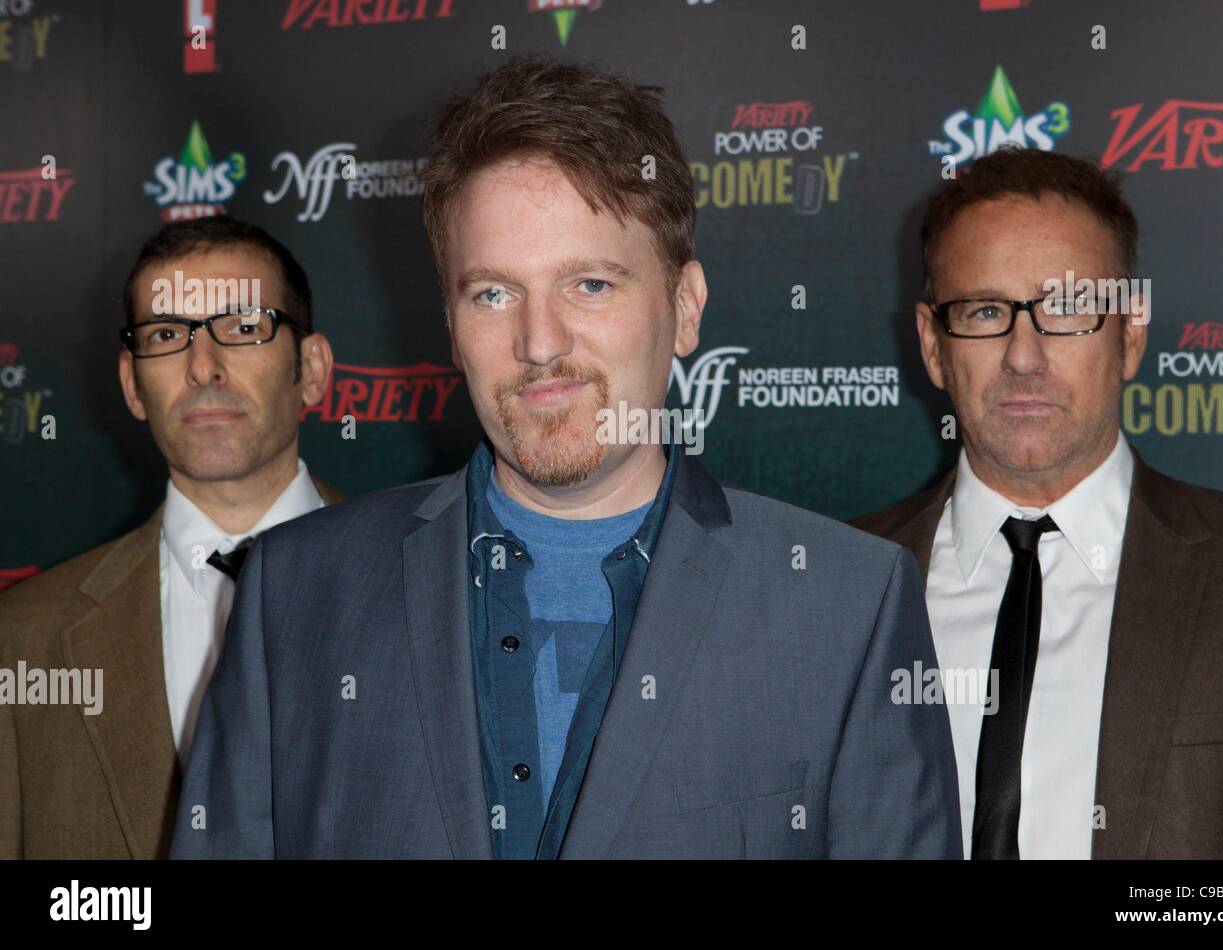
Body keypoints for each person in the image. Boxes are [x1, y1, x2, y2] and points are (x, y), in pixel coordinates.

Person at [169, 55, 960, 860]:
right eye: (494, 294)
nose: (539, 343)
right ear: (450, 321)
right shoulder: (293, 596)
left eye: (589, 285)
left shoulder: (845, 608)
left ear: (685, 308)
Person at [852, 146, 1223, 859]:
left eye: (1067, 309)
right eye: (986, 310)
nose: (1024, 357)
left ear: (1132, 333)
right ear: (933, 346)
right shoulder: (835, 592)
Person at [0, 216, 343, 858]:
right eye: (167, 334)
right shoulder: (20, 643)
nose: (203, 368)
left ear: (313, 368)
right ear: (133, 383)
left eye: (243, 327)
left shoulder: (431, 595)